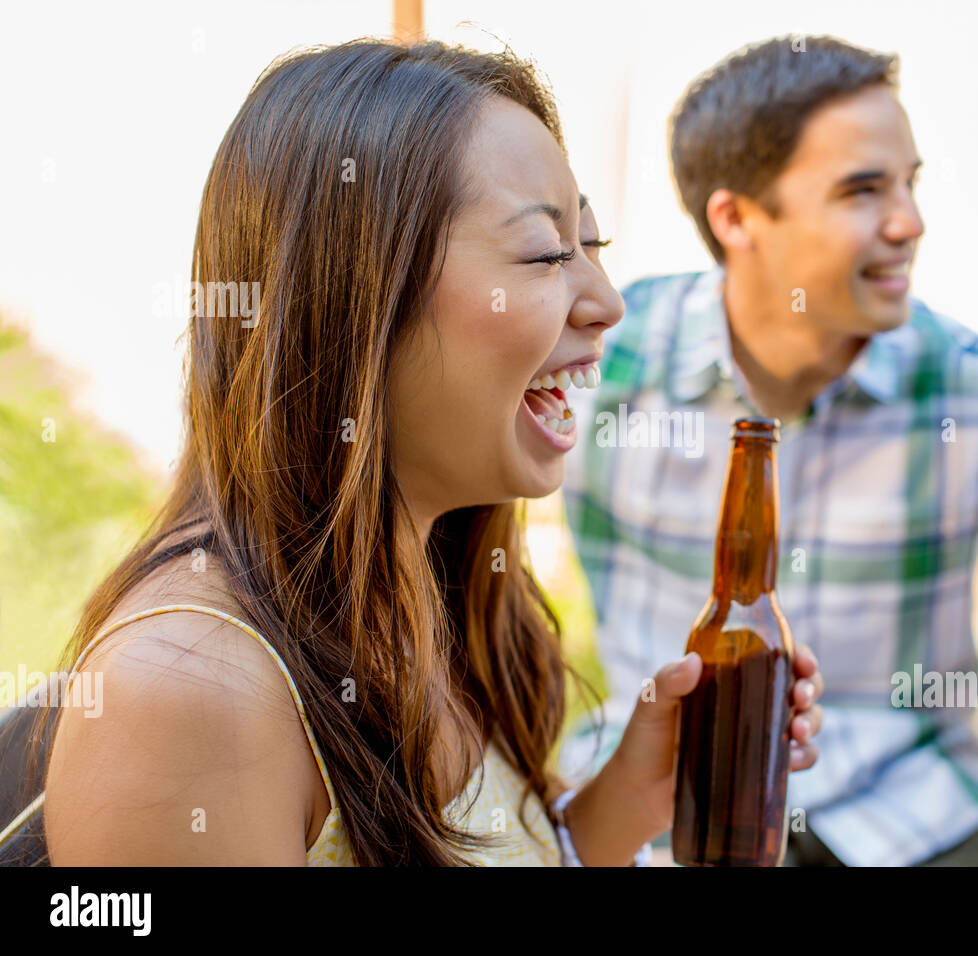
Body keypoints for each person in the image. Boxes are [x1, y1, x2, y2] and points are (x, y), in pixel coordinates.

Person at [6, 38, 827, 866]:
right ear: (358, 297)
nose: (607, 303)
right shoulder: (190, 694)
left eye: (592, 249)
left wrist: (631, 794)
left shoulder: (441, 594)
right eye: (545, 254)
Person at [559, 35, 978, 866]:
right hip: (660, 798)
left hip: (917, 809)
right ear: (736, 219)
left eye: (909, 183)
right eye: (863, 190)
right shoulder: (603, 360)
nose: (910, 222)